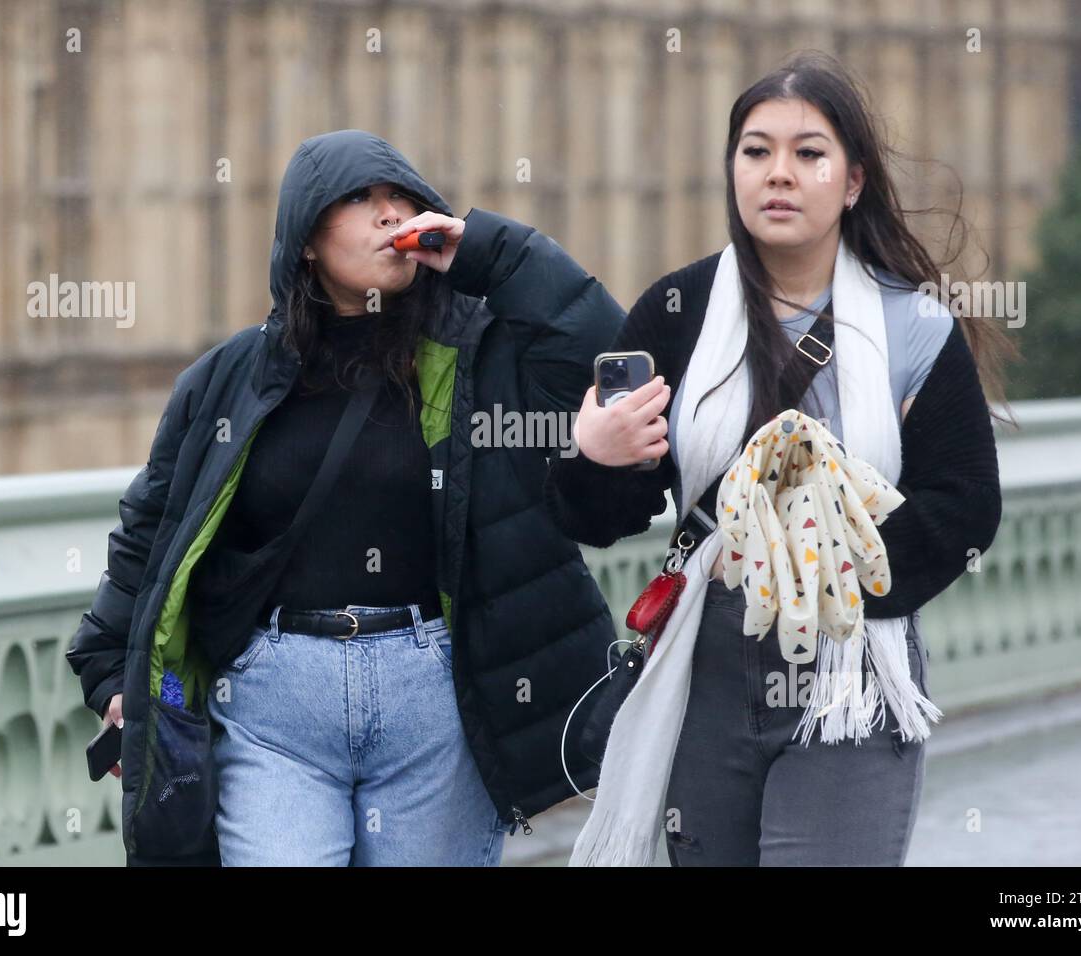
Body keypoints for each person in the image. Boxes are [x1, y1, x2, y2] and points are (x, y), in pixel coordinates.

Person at [66, 129, 624, 866]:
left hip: (437, 704)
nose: (389, 215)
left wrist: (487, 253)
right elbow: (157, 528)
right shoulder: (229, 378)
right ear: (305, 239)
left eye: (403, 199)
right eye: (360, 200)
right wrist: (110, 670)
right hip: (274, 706)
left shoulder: (479, 359)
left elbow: (609, 352)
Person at [547, 52, 1015, 866]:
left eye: (809, 153)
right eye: (756, 151)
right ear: (732, 169)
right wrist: (595, 456)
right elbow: (598, 515)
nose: (779, 173)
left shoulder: (914, 330)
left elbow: (968, 506)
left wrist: (825, 555)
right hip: (708, 669)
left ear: (853, 180)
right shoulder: (678, 310)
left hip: (850, 668)